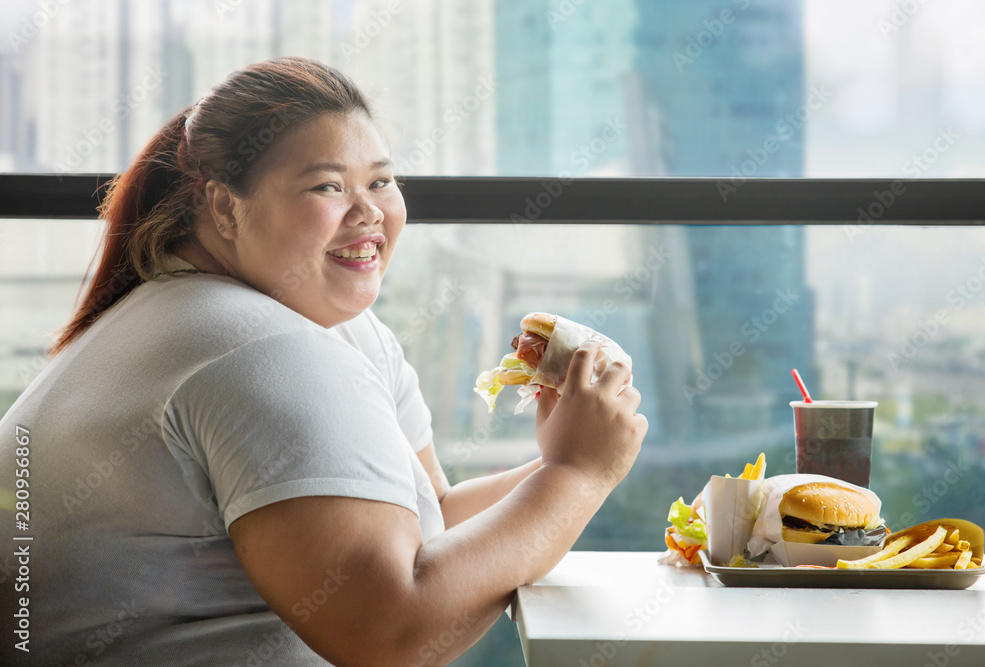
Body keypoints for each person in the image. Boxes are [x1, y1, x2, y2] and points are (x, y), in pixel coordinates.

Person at [0, 57, 646, 666]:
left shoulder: (303, 323)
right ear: (224, 205)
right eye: (327, 186)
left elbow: (428, 520)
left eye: (382, 181)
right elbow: (390, 634)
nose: (368, 212)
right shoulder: (256, 347)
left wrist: (574, 453)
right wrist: (578, 475)